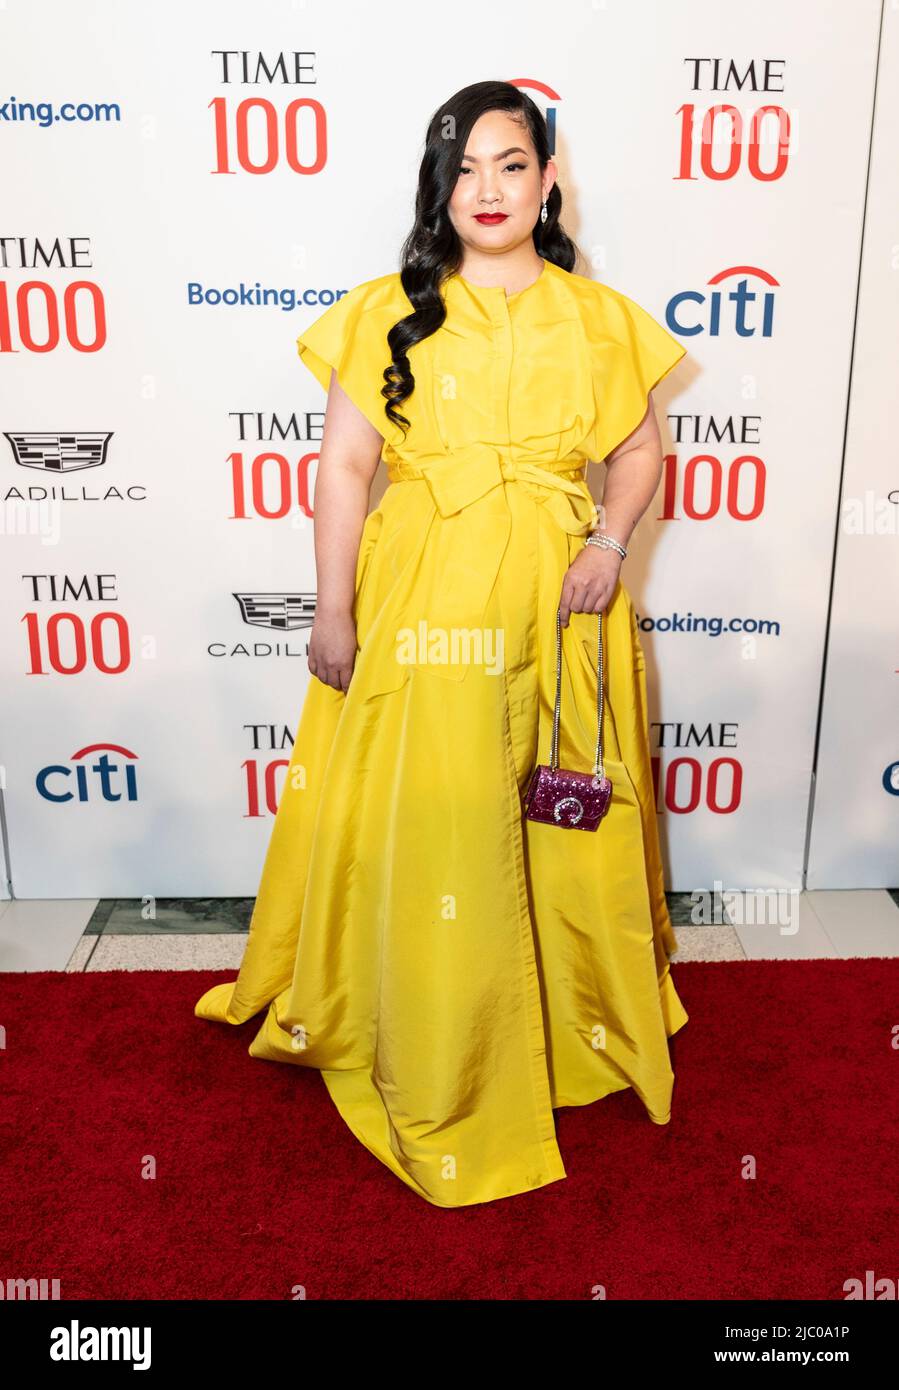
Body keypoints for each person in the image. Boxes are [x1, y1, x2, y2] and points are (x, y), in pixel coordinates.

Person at [195, 79, 689, 1208]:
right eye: (462, 169)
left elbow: (637, 455)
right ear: (437, 187)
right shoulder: (386, 307)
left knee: (559, 804)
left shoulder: (597, 317)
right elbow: (342, 468)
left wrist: (610, 544)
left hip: (562, 600)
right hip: (423, 596)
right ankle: (428, 1027)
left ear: (547, 179)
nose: (487, 190)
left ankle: (570, 1026)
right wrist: (331, 606)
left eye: (510, 165)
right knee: (442, 814)